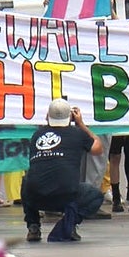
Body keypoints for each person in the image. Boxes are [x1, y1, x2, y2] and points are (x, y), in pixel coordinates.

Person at [22, 99, 107, 242]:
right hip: (66, 197)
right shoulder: (77, 134)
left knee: (27, 181)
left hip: (36, 198)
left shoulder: (37, 135)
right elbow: (98, 148)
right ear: (71, 117)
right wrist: (81, 124)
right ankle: (68, 225)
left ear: (47, 116)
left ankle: (33, 225)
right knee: (95, 196)